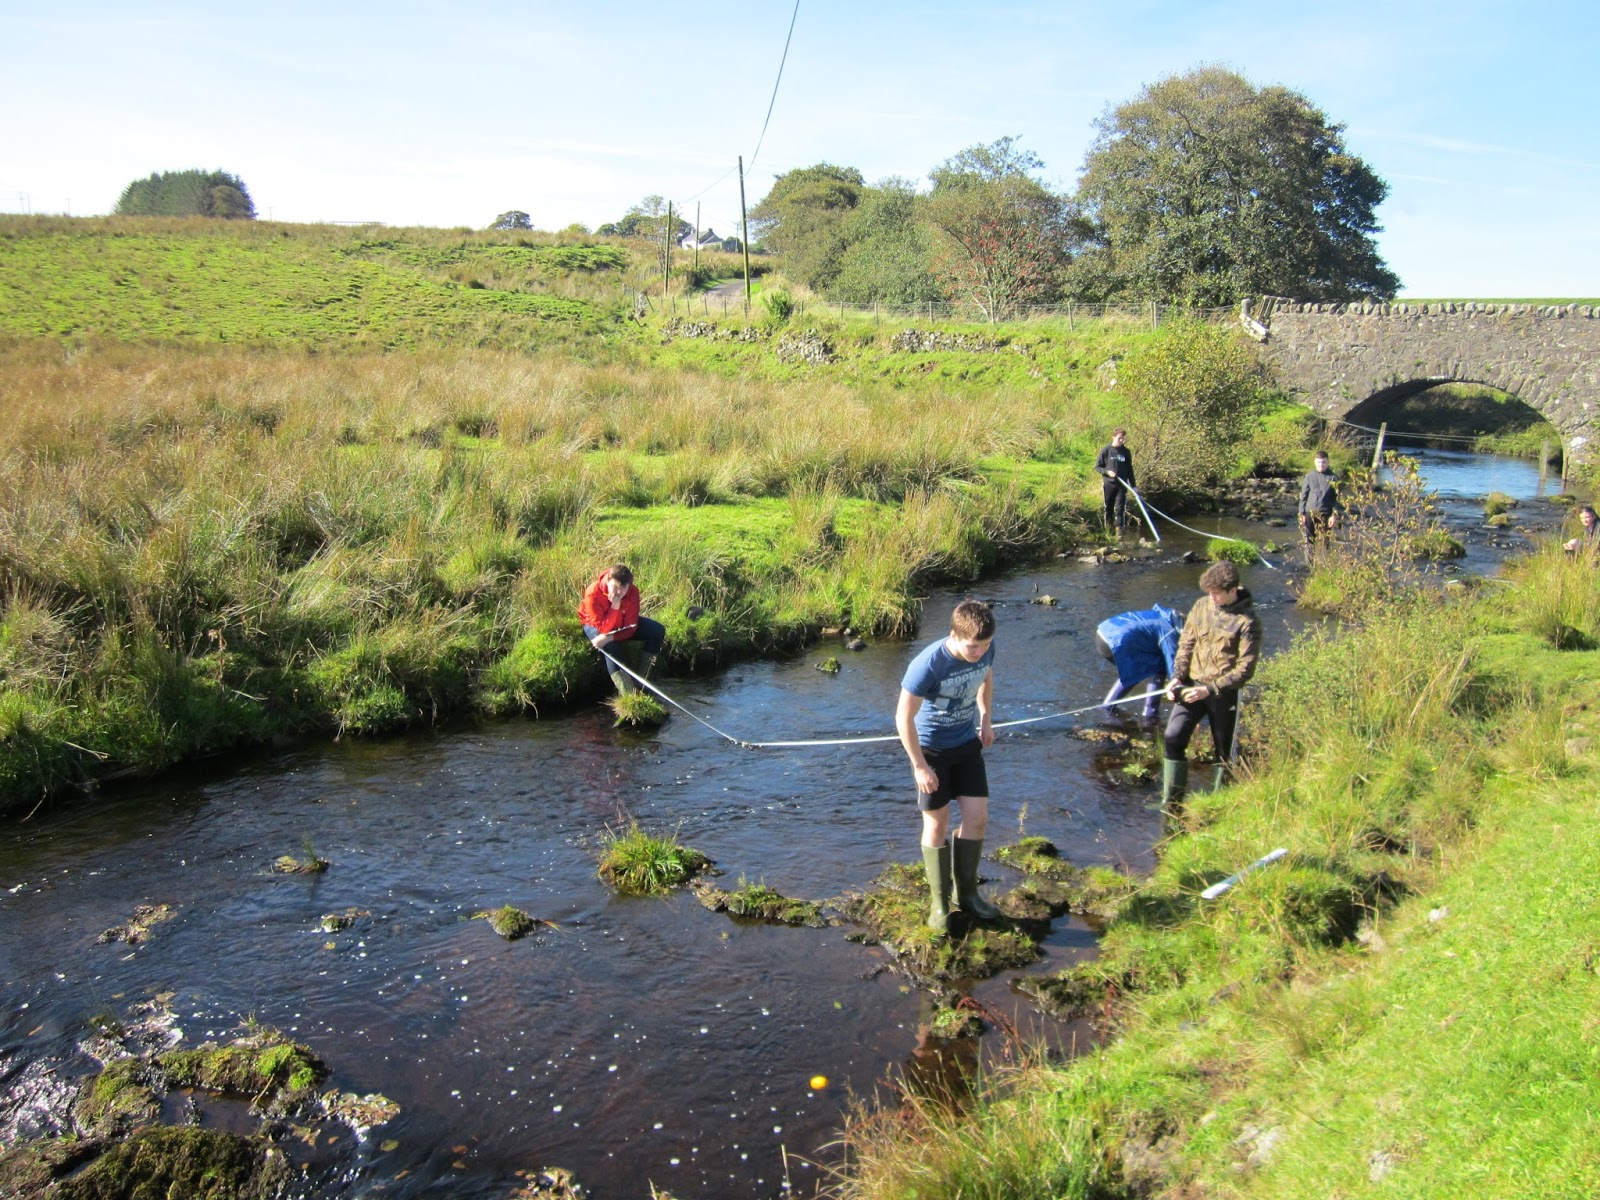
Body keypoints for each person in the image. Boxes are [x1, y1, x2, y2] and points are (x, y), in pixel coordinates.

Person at [896, 600, 1002, 935]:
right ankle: (939, 904)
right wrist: (920, 766)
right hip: (932, 751)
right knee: (937, 823)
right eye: (973, 646)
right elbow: (903, 718)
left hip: (966, 744)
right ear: (953, 635)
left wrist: (985, 718)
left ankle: (966, 894)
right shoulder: (927, 664)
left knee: (977, 818)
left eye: (984, 645)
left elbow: (986, 677)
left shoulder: (986, 649)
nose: (979, 652)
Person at [1161, 562, 1262, 807]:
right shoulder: (1201, 606)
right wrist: (1177, 678)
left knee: (1223, 752)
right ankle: (1172, 802)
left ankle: (1217, 805)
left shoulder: (1248, 622)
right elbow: (1186, 644)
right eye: (1209, 592)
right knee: (1173, 737)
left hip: (1223, 694)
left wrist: (1210, 689)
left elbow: (1245, 669)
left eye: (1216, 593)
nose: (1212, 597)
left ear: (1232, 590)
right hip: (1191, 686)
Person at [578, 564, 666, 694]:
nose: (619, 592)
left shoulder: (633, 592)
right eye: (615, 587)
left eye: (623, 587)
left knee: (657, 631)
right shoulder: (593, 593)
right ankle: (628, 693)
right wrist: (615, 605)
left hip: (621, 624)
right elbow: (603, 628)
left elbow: (631, 627)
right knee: (612, 647)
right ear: (608, 581)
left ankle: (641, 682)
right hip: (595, 624)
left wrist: (610, 636)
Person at [1095, 604, 1184, 722]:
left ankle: (1108, 706)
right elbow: (1173, 664)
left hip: (1103, 633)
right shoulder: (1170, 632)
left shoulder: (1162, 616)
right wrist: (1179, 683)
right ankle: (1150, 713)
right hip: (1114, 642)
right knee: (1157, 668)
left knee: (1139, 669)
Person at [1298, 449, 1343, 557]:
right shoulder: (1309, 476)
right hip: (1310, 513)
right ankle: (1310, 566)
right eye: (1319, 462)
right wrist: (1301, 513)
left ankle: (1324, 566)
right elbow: (1303, 496)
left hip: (1326, 514)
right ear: (1314, 462)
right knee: (1309, 542)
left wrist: (1334, 515)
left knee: (1325, 541)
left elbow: (1337, 499)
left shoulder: (1334, 478)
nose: (1321, 465)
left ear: (1328, 462)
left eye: (1323, 462)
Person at [1094, 428, 1136, 536]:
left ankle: (1119, 533)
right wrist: (1107, 472)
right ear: (1113, 437)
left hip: (1122, 485)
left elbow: (1129, 469)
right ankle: (1108, 531)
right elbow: (1097, 467)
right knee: (1108, 507)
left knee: (1120, 509)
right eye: (1119, 438)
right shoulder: (1106, 450)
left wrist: (1134, 486)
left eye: (1123, 439)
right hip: (1109, 484)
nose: (1121, 440)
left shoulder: (1126, 452)